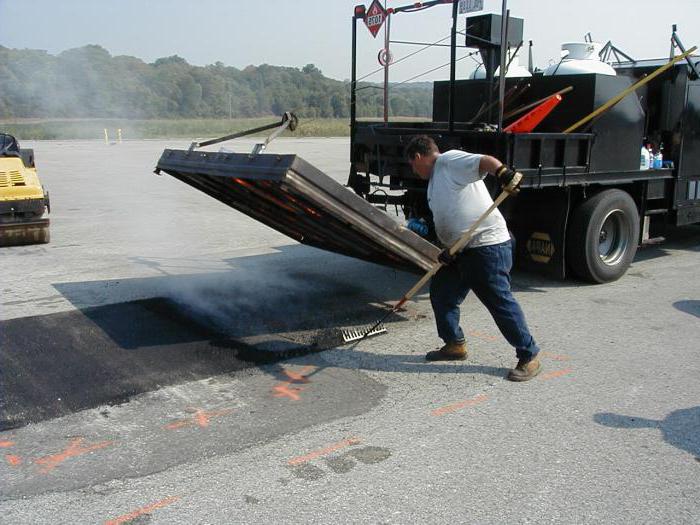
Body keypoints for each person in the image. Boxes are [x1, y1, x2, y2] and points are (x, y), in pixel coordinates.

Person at [405, 135, 542, 382]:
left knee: (498, 301)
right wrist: (447, 247)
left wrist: (502, 172)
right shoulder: (435, 181)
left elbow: (485, 162)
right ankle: (454, 344)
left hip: (487, 246)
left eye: (412, 165)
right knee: (443, 294)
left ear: (417, 157)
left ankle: (529, 356)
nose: (414, 171)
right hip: (460, 250)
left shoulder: (448, 161)